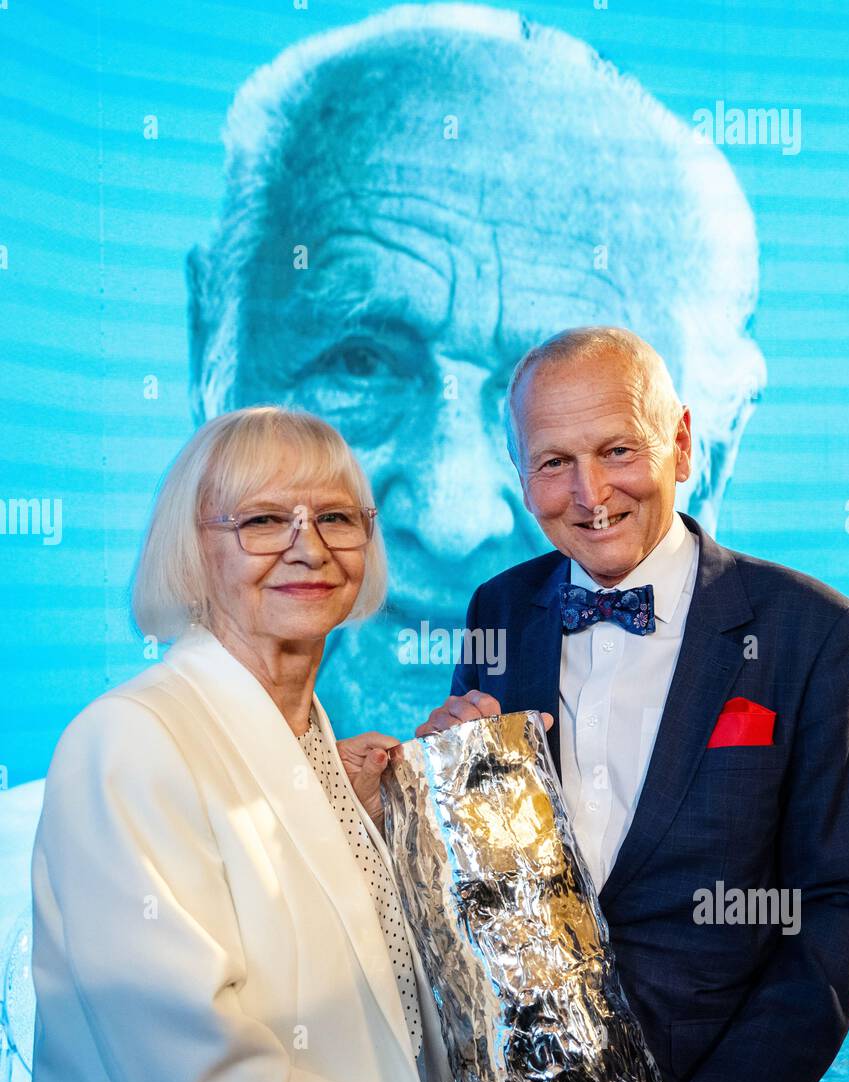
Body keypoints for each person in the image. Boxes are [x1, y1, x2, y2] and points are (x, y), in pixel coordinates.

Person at [9, 406, 568, 1082]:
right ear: (192, 550)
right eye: (264, 519)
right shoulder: (130, 742)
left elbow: (386, 1026)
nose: (308, 547)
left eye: (337, 518)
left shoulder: (324, 753)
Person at [418, 326, 849, 1082]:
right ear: (519, 470)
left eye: (617, 449)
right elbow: (489, 902)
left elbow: (842, 907)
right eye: (554, 462)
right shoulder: (497, 610)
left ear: (681, 441)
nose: (589, 494)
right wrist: (445, 784)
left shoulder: (810, 631)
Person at [186, 2, 764, 739]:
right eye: (362, 364)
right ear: (214, 359)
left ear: (702, 455)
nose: (449, 518)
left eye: (583, 420)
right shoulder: (100, 824)